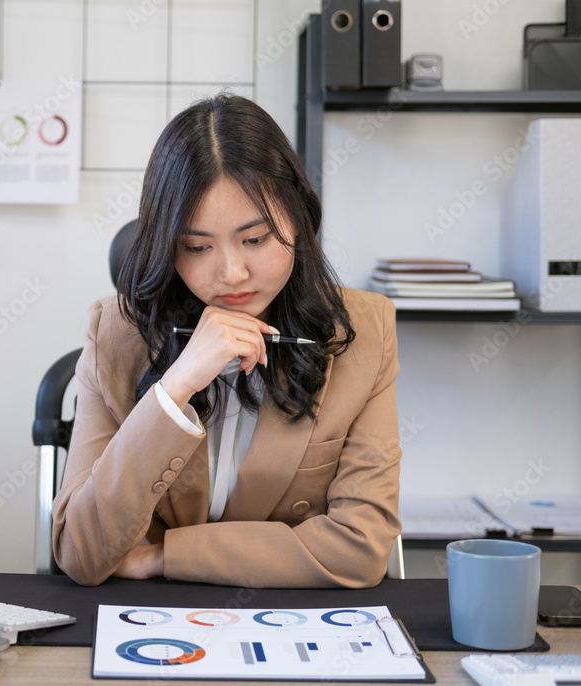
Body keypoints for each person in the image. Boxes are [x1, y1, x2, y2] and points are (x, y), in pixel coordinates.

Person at [51, 93, 402, 588]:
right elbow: (81, 552)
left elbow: (361, 548)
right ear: (166, 246)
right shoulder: (114, 333)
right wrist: (173, 391)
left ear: (298, 221)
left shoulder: (364, 332)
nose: (232, 273)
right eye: (196, 247)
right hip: (148, 627)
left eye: (255, 240)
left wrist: (164, 558)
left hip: (292, 623)